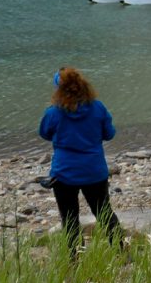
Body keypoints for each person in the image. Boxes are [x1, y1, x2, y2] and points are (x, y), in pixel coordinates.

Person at [39, 67, 122, 256]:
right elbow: (109, 134)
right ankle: (122, 253)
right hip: (94, 171)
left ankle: (75, 259)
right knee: (104, 213)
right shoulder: (98, 107)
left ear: (58, 89)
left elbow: (44, 133)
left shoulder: (53, 113)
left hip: (64, 174)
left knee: (69, 219)